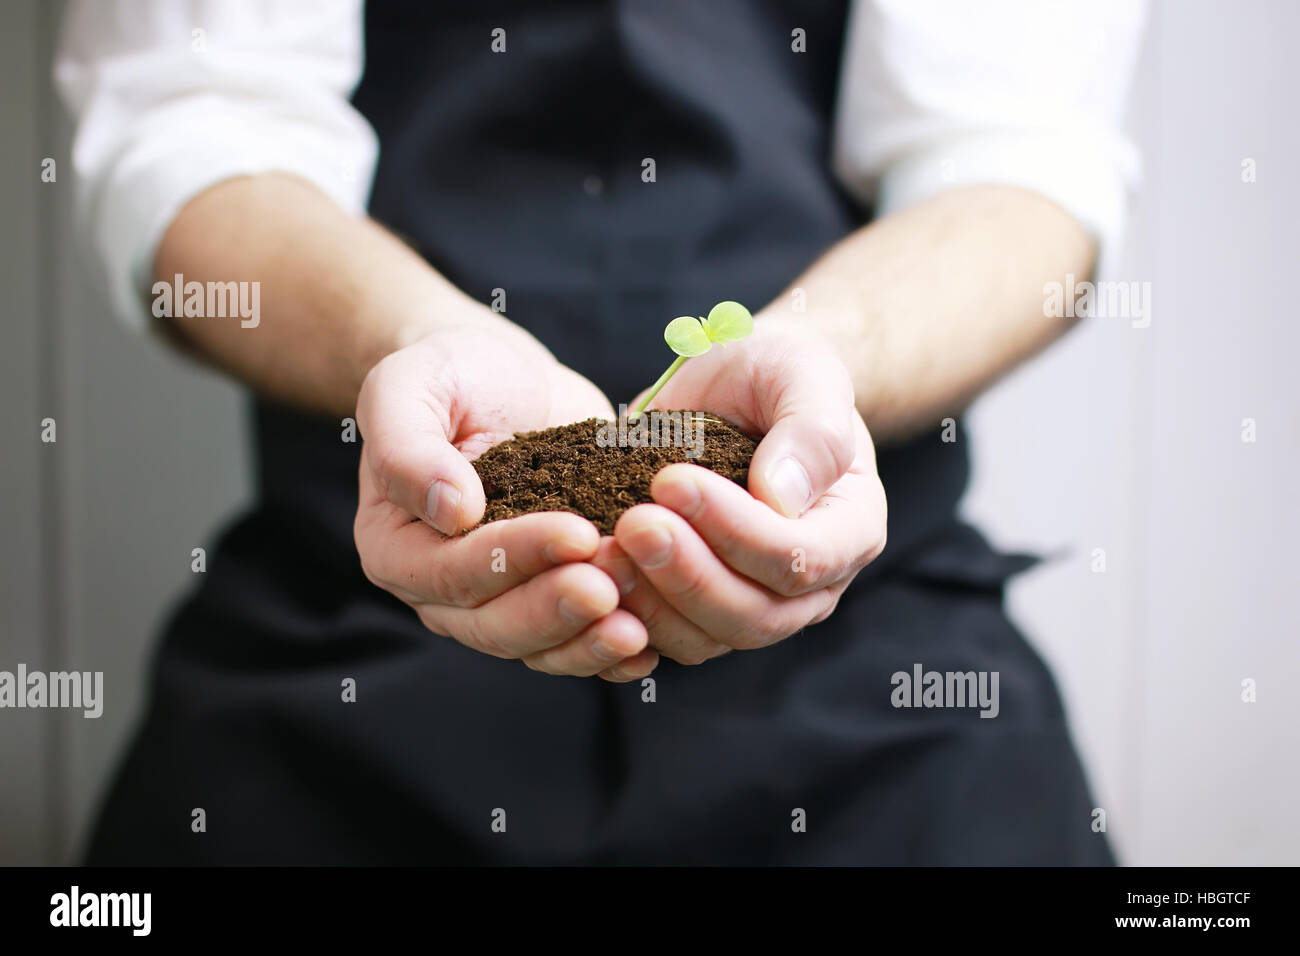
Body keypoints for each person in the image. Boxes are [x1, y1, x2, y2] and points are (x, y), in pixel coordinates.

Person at [56, 0, 1145, 864]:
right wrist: (421, 339)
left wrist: (816, 363)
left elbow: (1016, 162)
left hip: (873, 652)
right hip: (348, 630)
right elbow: (193, 122)